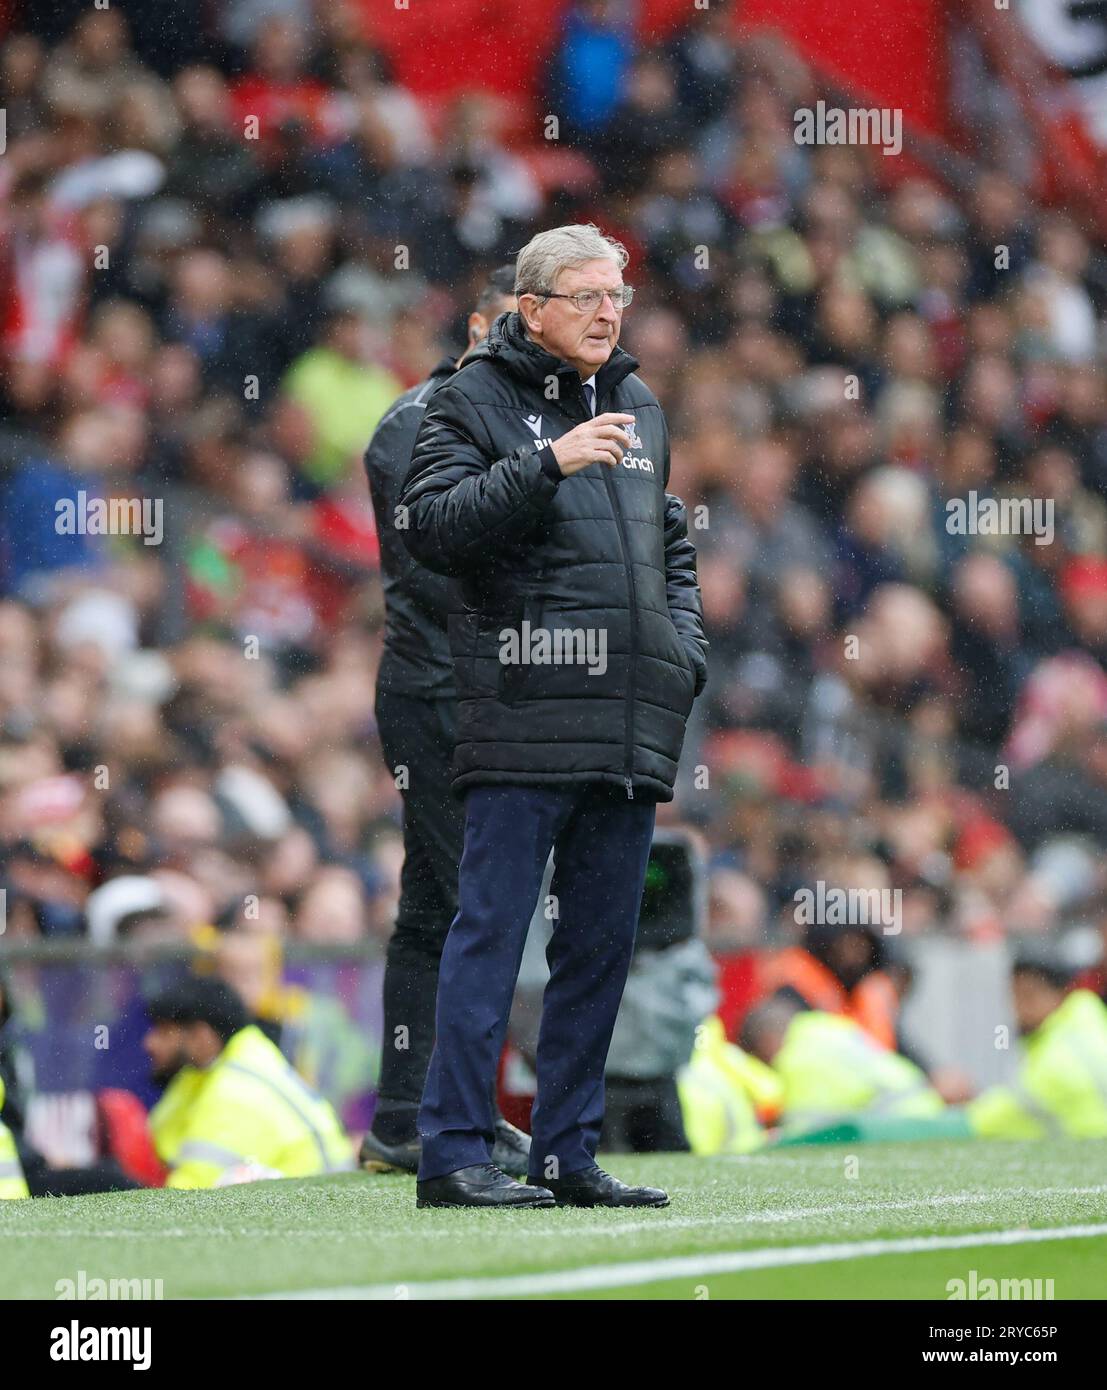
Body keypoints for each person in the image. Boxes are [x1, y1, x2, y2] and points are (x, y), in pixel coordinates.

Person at [399, 223, 707, 1208]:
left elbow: (671, 538)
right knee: (488, 933)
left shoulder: (638, 401)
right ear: (530, 309)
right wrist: (549, 463)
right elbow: (434, 528)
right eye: (586, 296)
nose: (609, 312)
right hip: (527, 707)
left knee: (600, 948)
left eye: (619, 294)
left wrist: (679, 649)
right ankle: (451, 1151)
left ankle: (566, 1153)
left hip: (628, 720)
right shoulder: (471, 397)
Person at [360, 264, 532, 1178]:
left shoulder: (506, 423)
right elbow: (442, 558)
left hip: (477, 689)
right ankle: (453, 1115)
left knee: (436, 904)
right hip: (436, 689)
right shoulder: (415, 423)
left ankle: (406, 1116)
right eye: (506, 326)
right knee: (473, 902)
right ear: (473, 324)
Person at [144, 975, 353, 1188]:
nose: (149, 1043)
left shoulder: (234, 1092)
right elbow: (154, 1144)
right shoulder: (203, 1071)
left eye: (163, 1032)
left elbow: (184, 1196)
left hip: (318, 1203)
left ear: (201, 1036)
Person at [742, 996, 945, 1135]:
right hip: (924, 1109)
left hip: (895, 1122)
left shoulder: (796, 1058)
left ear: (766, 1041)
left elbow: (805, 1130)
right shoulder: (824, 1025)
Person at [967, 959, 1107, 1139]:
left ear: (1061, 994)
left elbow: (992, 1118)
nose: (1019, 1008)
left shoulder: (1057, 1056)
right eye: (1014, 996)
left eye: (1029, 996)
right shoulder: (1089, 1017)